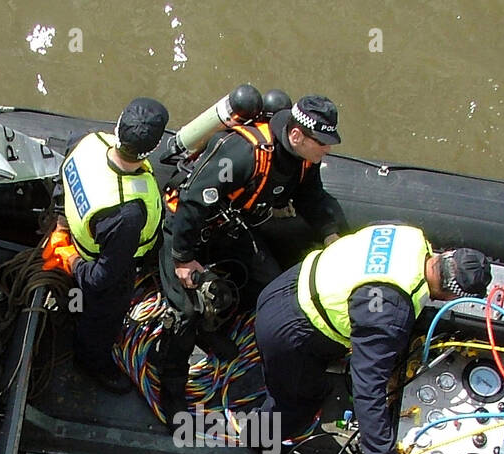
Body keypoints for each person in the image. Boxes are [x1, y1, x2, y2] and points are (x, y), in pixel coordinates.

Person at [251, 223, 493, 454]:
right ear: (452, 295)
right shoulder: (390, 312)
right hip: (289, 331)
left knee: (307, 380)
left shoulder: (412, 236)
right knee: (301, 399)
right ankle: (258, 437)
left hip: (289, 284)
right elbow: (367, 389)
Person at [155, 94, 349, 425]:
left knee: (270, 285)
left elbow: (312, 197)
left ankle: (213, 327)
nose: (327, 149)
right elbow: (193, 201)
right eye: (322, 142)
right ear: (297, 135)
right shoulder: (243, 153)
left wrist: (332, 233)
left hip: (227, 224)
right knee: (185, 312)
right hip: (184, 228)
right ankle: (171, 386)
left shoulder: (305, 160)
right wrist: (183, 259)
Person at [45, 97, 169, 394]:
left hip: (82, 234)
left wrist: (61, 226)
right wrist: (71, 258)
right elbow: (100, 279)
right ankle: (91, 361)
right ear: (152, 149)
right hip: (102, 265)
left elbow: (63, 180)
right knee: (101, 318)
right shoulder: (127, 214)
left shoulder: (86, 142)